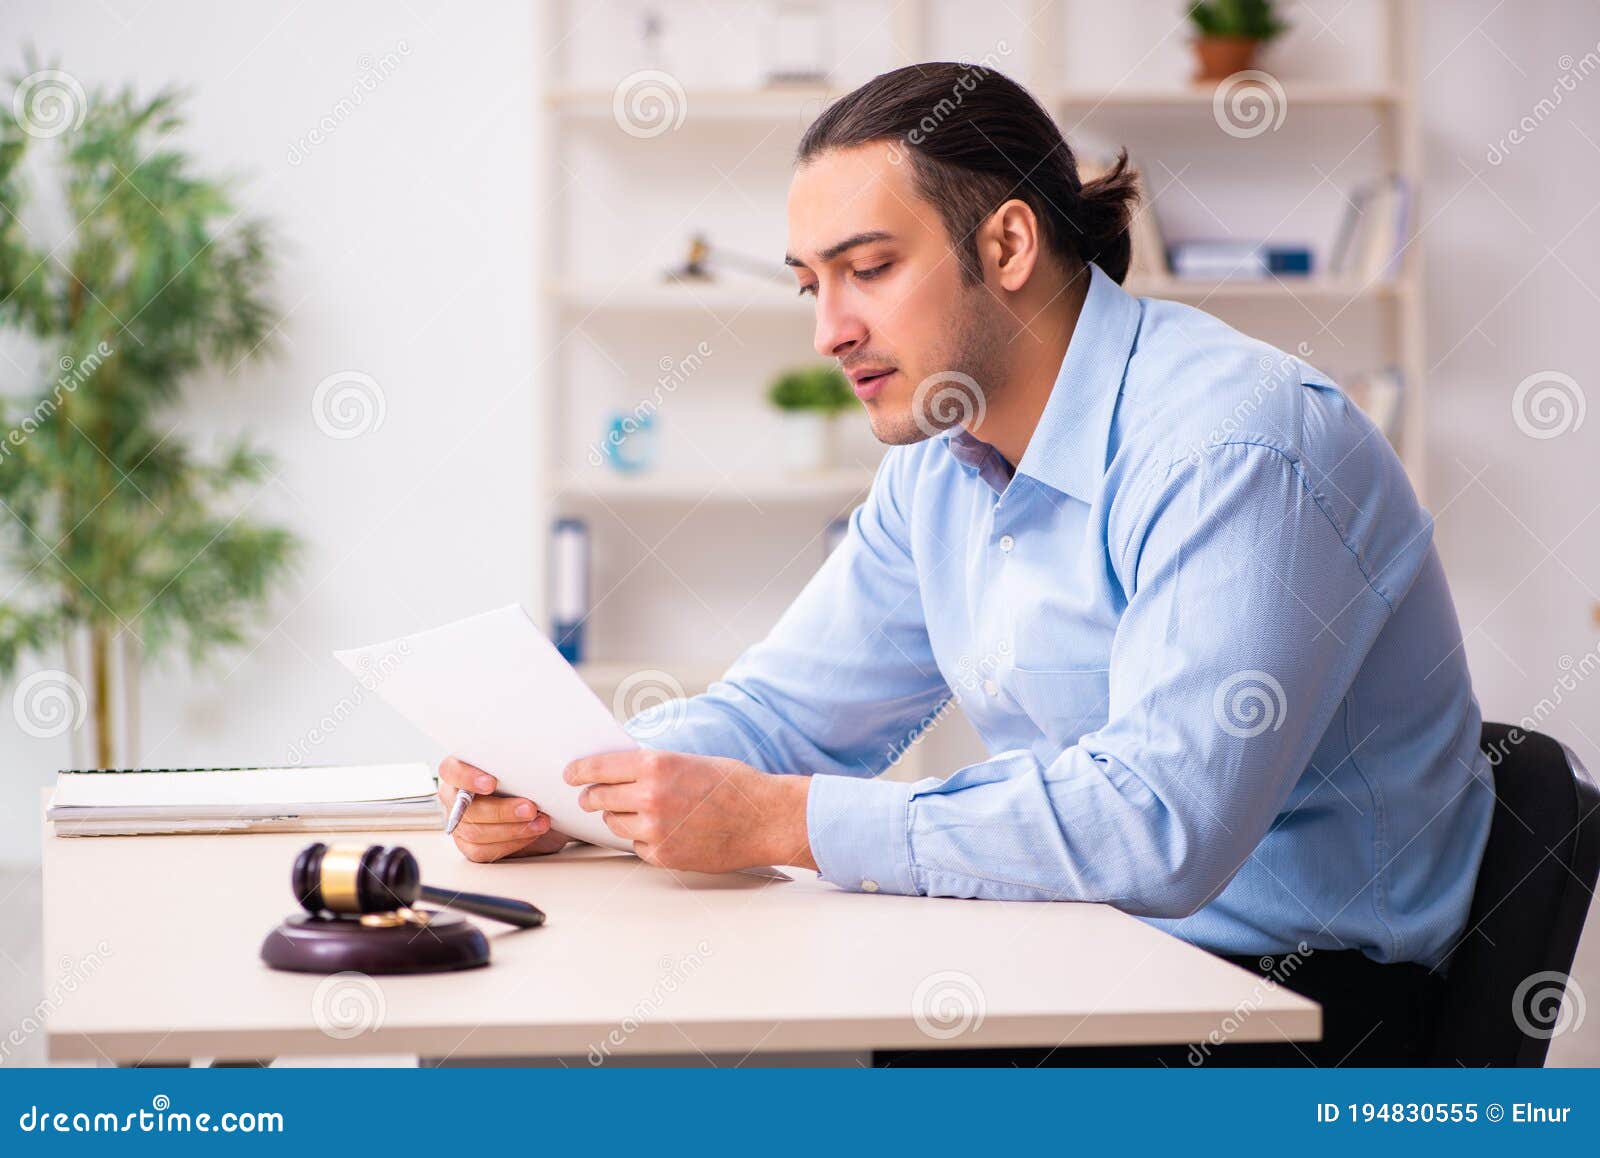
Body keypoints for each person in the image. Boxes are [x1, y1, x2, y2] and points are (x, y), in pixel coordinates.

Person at [437, 63, 1493, 1066]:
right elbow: (784, 716)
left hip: (1295, 1011)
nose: (828, 331)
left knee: (686, 1065)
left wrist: (778, 818)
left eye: (869, 270)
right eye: (810, 285)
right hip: (1088, 959)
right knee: (540, 1049)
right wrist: (564, 779)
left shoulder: (1236, 444)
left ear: (1009, 245)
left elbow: (1159, 824)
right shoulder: (945, 462)